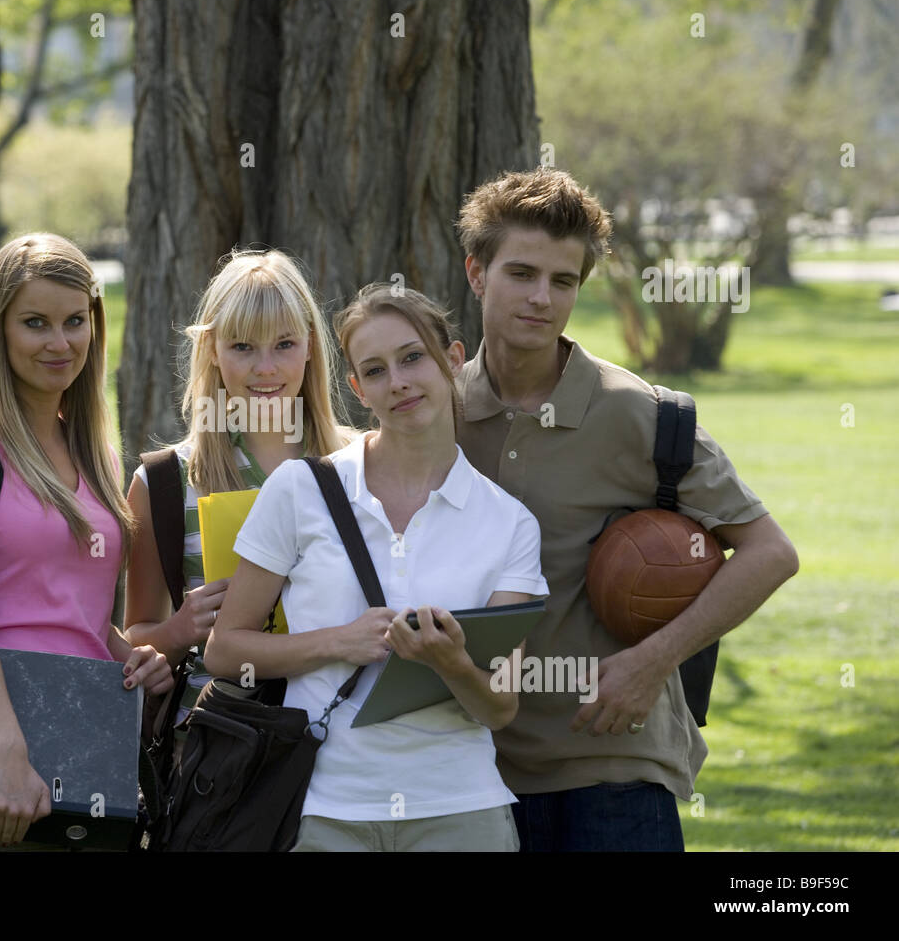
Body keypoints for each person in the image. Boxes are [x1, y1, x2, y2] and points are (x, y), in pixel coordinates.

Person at [453, 167, 799, 851]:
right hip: (469, 770)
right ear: (475, 273)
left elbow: (769, 553)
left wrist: (653, 663)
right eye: (521, 274)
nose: (541, 298)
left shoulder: (636, 412)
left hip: (613, 768)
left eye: (564, 282)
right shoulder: (437, 411)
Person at [205, 283, 548, 852]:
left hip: (460, 808)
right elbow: (224, 650)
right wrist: (338, 642)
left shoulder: (510, 523)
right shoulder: (301, 489)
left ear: (454, 359)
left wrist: (455, 664)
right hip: (321, 807)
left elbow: (500, 706)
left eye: (413, 357)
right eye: (376, 370)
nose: (401, 382)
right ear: (358, 389)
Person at [0, 233, 172, 849]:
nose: (60, 343)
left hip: (91, 744)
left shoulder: (96, 454)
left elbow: (67, 607)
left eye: (75, 321)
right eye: (35, 323)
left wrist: (130, 653)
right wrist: (6, 748)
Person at [123, 249, 353, 734]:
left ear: (311, 345)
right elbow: (135, 638)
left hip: (342, 749)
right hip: (222, 757)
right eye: (243, 347)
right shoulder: (164, 482)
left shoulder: (360, 466)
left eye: (284, 344)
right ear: (212, 350)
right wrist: (180, 630)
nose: (265, 369)